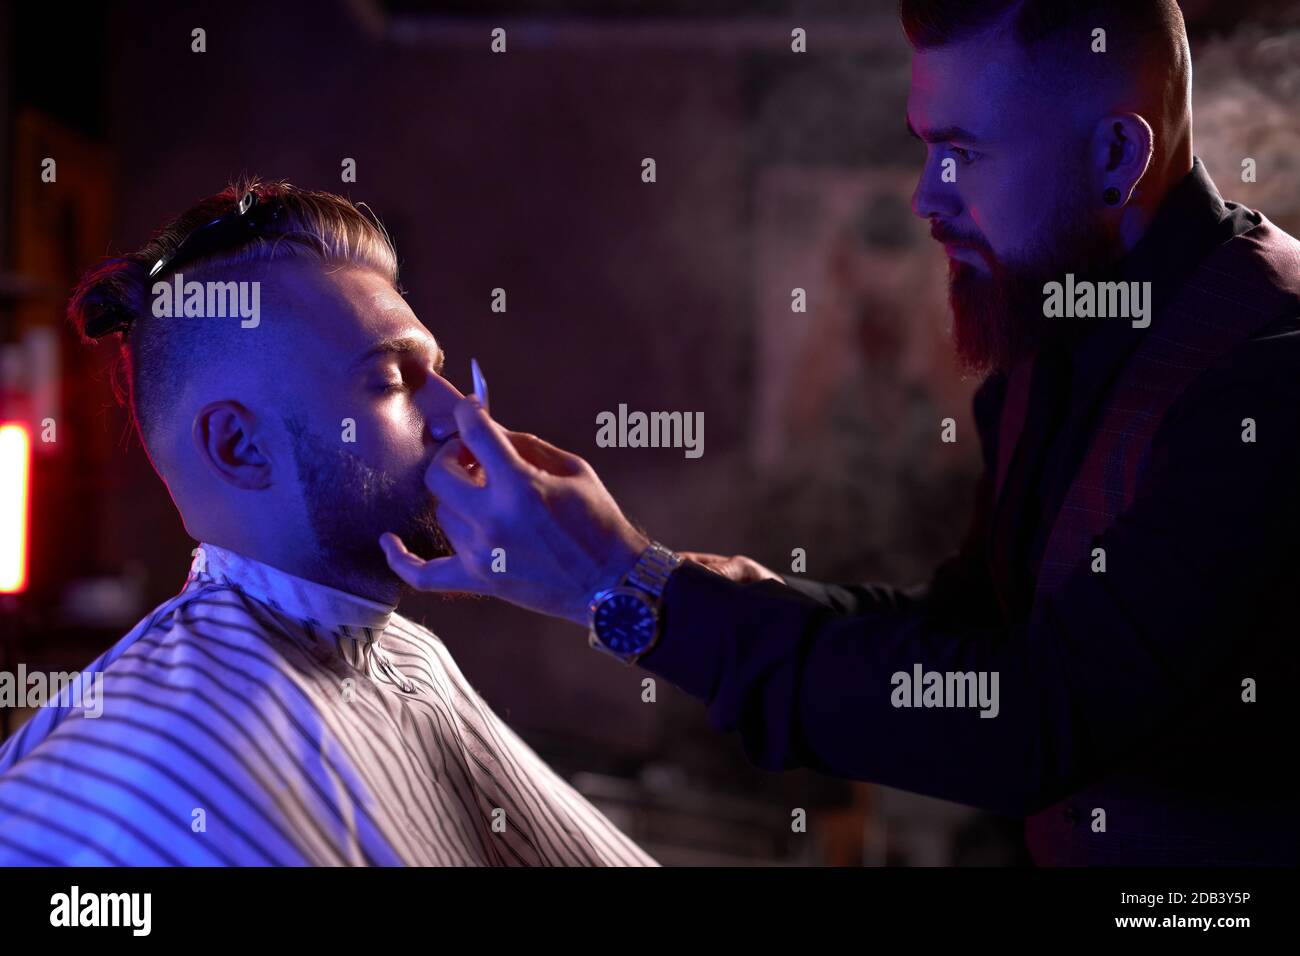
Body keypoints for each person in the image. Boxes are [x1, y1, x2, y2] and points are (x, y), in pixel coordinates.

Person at [380, 0, 1300, 865]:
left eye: (963, 154)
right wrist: (652, 573)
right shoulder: (1056, 334)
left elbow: (1034, 719)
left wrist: (618, 588)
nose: (925, 201)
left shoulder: (1270, 368)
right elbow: (969, 634)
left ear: (1114, 157)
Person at [0, 181, 655, 866]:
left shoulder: (411, 658)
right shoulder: (142, 766)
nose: (464, 414)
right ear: (239, 447)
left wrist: (622, 578)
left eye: (438, 370)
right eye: (394, 381)